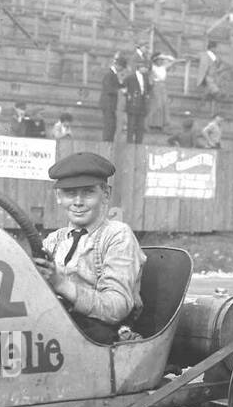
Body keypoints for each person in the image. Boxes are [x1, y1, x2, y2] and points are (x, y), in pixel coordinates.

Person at [33, 153, 145, 345]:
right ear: (58, 197)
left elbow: (116, 308)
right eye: (69, 193)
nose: (78, 201)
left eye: (88, 192)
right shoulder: (53, 240)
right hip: (56, 328)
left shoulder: (117, 236)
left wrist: (60, 284)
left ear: (106, 194)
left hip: (99, 336)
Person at [146, 52, 176, 130]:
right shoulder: (152, 67)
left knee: (164, 104)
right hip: (155, 86)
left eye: (161, 60)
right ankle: (151, 123)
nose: (161, 61)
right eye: (159, 60)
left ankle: (161, 124)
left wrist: (165, 56)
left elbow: (173, 60)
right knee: (156, 105)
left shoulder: (163, 67)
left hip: (163, 86)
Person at [123, 61, 151, 143]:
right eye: (144, 67)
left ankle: (139, 142)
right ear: (139, 67)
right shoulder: (130, 77)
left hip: (142, 103)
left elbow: (148, 88)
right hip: (133, 103)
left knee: (140, 125)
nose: (146, 69)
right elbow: (124, 88)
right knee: (131, 124)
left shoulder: (146, 78)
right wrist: (128, 95)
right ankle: (129, 141)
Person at [100, 57, 125, 142]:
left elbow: (117, 85)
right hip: (108, 103)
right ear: (118, 66)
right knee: (109, 125)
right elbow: (109, 89)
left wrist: (122, 85)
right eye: (122, 68)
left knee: (112, 125)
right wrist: (120, 91)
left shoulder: (113, 74)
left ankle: (109, 143)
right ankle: (106, 143)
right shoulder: (109, 74)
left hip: (111, 104)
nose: (122, 70)